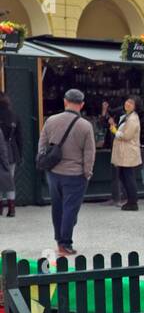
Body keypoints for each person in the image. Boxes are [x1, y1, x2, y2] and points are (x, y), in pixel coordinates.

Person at [39, 88, 96, 257]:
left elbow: (42, 145)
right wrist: (87, 172)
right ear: (82, 104)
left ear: (65, 101)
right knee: (71, 209)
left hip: (54, 173)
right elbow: (89, 153)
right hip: (75, 174)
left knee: (57, 207)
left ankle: (59, 240)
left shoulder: (50, 121)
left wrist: (46, 165)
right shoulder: (86, 126)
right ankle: (66, 243)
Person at [111, 96, 143, 211]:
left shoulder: (133, 118)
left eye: (131, 103)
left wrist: (115, 131)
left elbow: (127, 135)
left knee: (128, 177)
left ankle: (133, 202)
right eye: (127, 101)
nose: (128, 104)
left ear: (135, 107)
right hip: (125, 151)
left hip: (128, 152)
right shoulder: (127, 116)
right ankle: (131, 200)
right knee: (124, 176)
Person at [0, 92, 19, 217]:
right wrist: (20, 154)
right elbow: (20, 137)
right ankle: (11, 209)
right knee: (10, 180)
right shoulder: (14, 115)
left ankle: (0, 208)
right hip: (11, 151)